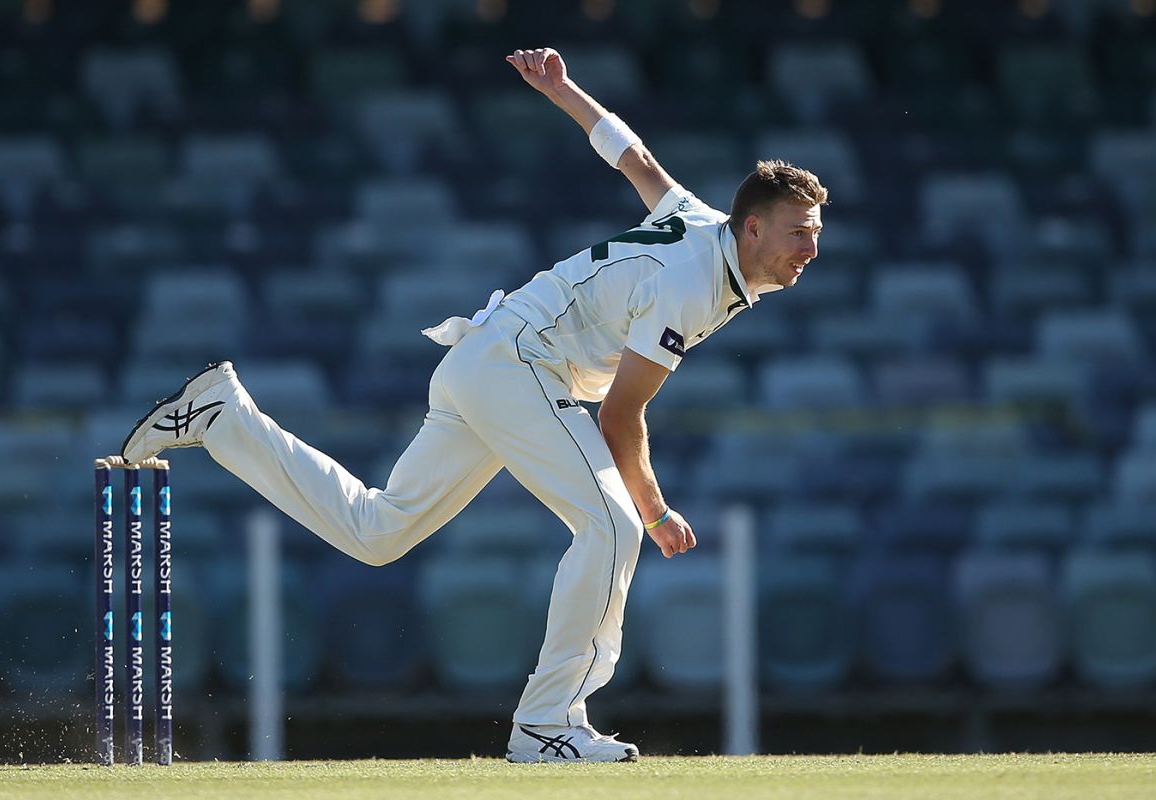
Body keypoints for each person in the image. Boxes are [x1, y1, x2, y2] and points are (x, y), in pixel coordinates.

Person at [121, 47, 827, 763]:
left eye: (817, 233)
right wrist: (655, 511)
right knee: (614, 526)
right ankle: (547, 723)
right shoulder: (691, 284)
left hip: (487, 360)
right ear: (752, 228)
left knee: (377, 532)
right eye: (798, 232)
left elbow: (635, 159)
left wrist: (563, 89)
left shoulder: (701, 221)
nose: (811, 248)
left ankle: (222, 416)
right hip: (519, 366)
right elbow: (620, 417)